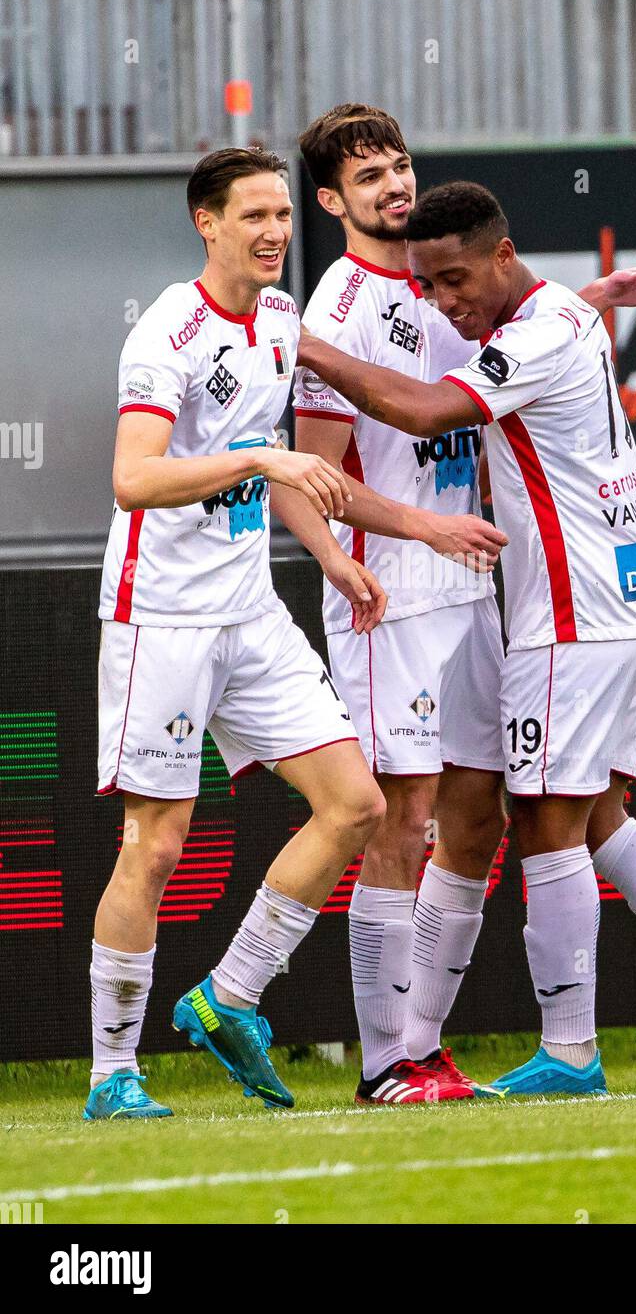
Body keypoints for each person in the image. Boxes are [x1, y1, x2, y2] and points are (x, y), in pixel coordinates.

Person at [295, 180, 636, 1096]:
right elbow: (538, 310)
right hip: (634, 601)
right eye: (428, 286)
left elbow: (419, 409)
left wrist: (300, 342)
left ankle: (571, 1051)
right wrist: (599, 292)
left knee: (546, 823)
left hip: (572, 620)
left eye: (455, 280)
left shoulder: (529, 335)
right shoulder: (556, 311)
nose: (445, 301)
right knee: (601, 817)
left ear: (501, 255)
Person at [87, 147, 498, 1121]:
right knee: (153, 842)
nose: (274, 232)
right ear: (208, 223)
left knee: (356, 804)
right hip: (164, 614)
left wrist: (400, 527)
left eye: (280, 215)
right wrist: (260, 460)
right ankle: (113, 1072)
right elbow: (133, 480)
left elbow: (315, 472)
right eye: (253, 216)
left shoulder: (282, 321)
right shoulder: (165, 334)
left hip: (249, 615)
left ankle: (228, 993)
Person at [295, 105, 636, 1103]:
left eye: (399, 165)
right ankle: (377, 1057)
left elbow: (484, 364)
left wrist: (582, 298)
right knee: (396, 813)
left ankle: (420, 1043)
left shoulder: (427, 283)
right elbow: (309, 471)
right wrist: (346, 558)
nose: (392, 185)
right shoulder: (333, 306)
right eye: (367, 177)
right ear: (329, 201)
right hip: (396, 594)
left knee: (473, 817)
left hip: (471, 591)